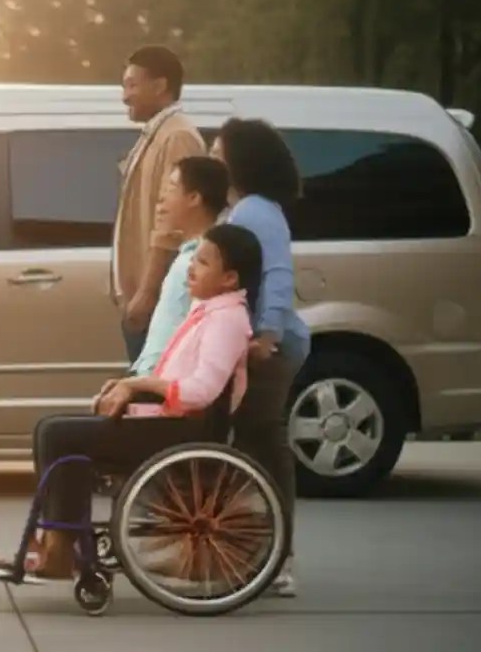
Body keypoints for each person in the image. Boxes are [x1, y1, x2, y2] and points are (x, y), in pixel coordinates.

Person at [0, 223, 262, 581]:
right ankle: (56, 542)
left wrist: (138, 385)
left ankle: (60, 551)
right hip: (170, 421)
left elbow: (201, 391)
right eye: (194, 258)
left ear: (229, 278)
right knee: (49, 429)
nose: (192, 266)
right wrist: (129, 387)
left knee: (59, 435)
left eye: (204, 262)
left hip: (181, 431)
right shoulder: (209, 312)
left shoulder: (226, 320)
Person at [211, 117, 312, 598]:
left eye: (218, 149)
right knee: (254, 447)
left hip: (270, 347)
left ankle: (278, 558)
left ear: (239, 160)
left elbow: (276, 276)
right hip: (255, 344)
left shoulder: (256, 210)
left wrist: (267, 336)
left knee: (265, 449)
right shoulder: (246, 209)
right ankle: (262, 552)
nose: (212, 154)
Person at [113, 45, 207, 362]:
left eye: (132, 85)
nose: (125, 96)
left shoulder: (177, 137)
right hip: (143, 295)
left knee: (154, 400)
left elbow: (173, 223)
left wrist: (148, 291)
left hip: (158, 299)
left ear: (160, 85)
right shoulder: (157, 134)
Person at [129, 156, 230, 377]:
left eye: (171, 189)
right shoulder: (189, 254)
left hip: (163, 381)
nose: (161, 200)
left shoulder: (200, 262)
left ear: (194, 198)